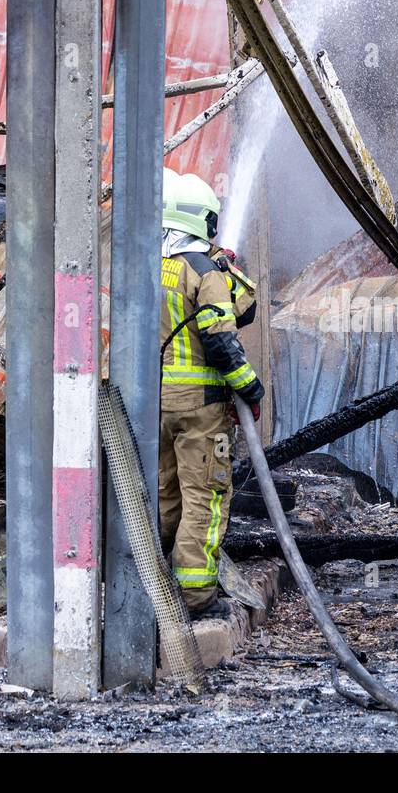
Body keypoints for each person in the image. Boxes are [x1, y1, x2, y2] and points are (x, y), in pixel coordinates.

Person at [159, 168, 264, 618]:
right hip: (202, 409)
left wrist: (225, 266)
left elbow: (244, 309)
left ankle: (153, 583)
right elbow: (223, 340)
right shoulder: (207, 275)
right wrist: (251, 388)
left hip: (158, 406)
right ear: (202, 220)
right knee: (205, 496)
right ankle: (195, 599)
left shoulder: (158, 266)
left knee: (166, 495)